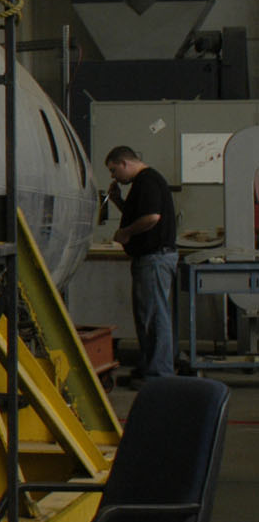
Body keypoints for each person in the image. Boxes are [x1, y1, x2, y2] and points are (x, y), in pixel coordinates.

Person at [105, 145, 179, 382]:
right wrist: (118, 201)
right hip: (149, 259)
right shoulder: (143, 183)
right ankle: (150, 367)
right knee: (148, 316)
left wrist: (125, 233)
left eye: (114, 170)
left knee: (155, 316)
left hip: (154, 259)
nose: (114, 176)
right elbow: (140, 213)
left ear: (125, 163)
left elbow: (151, 217)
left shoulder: (147, 181)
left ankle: (159, 374)